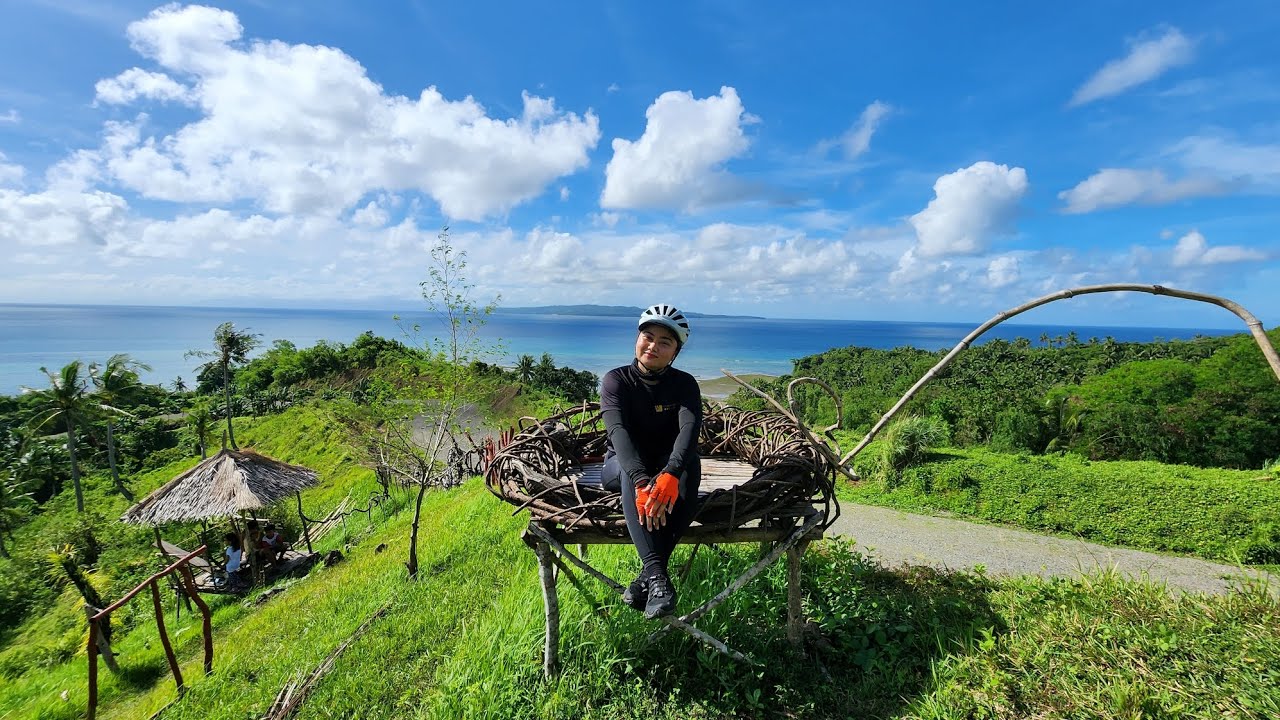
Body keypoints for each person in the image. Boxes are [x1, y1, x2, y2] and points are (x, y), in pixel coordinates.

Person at [600, 304, 702, 619]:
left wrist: (671, 473)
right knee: (634, 472)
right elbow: (618, 433)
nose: (653, 346)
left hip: (664, 467)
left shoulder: (685, 384)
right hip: (621, 466)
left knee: (691, 467)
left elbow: (689, 430)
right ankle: (658, 575)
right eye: (648, 336)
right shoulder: (616, 380)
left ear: (675, 352)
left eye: (664, 342)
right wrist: (644, 482)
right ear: (638, 339)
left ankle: (648, 579)